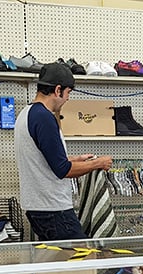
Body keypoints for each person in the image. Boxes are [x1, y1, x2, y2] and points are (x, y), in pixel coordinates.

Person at [15, 62, 113, 241]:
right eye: (68, 92)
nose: (68, 98)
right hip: (53, 211)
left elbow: (43, 160)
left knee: (58, 264)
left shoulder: (26, 114)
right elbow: (63, 170)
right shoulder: (44, 118)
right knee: (81, 263)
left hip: (39, 209)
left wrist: (76, 159)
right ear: (58, 90)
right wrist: (98, 163)